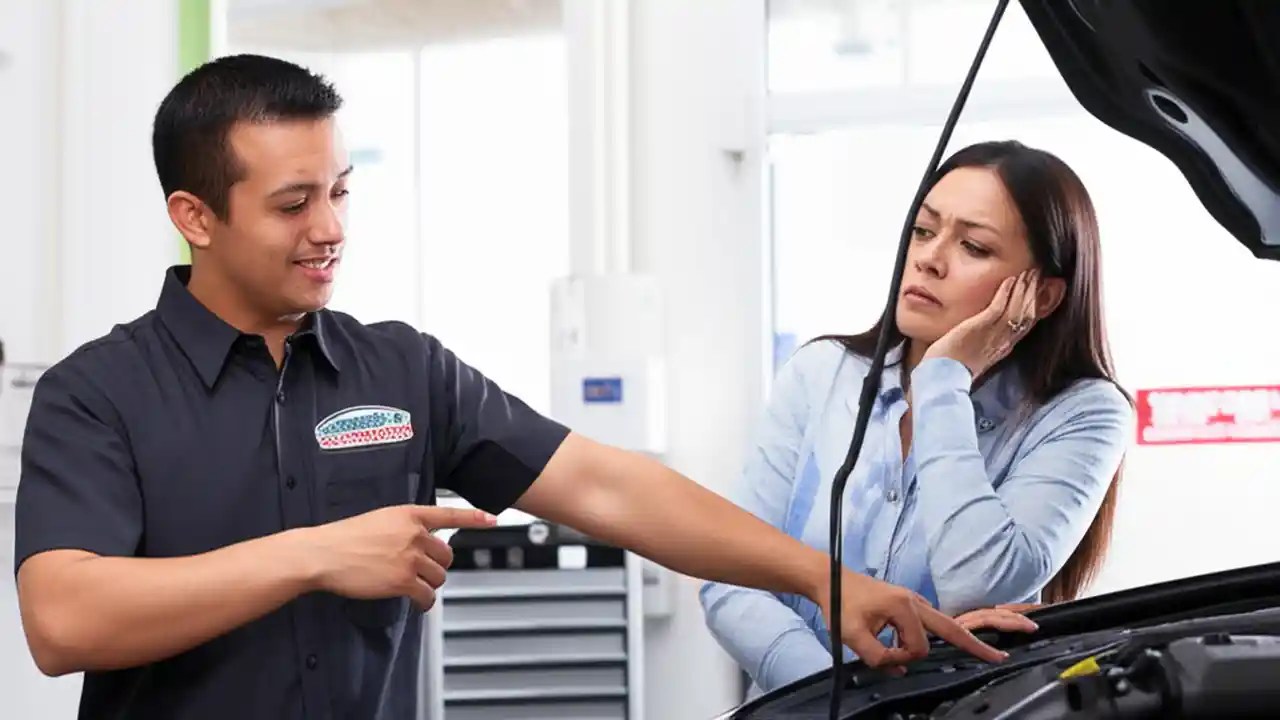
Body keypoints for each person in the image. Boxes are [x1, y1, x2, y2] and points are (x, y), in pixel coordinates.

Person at [11, 55, 1004, 720]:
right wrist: (315, 556)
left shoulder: (401, 368)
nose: (331, 228)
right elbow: (65, 621)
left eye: (341, 189)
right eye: (291, 203)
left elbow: (611, 488)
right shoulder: (97, 394)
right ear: (194, 214)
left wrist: (817, 581)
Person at [700, 140, 1134, 695]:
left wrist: (943, 379)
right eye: (923, 231)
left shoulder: (1083, 414)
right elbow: (733, 576)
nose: (929, 258)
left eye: (973, 246)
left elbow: (977, 583)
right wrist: (847, 698)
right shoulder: (821, 373)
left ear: (1041, 297)